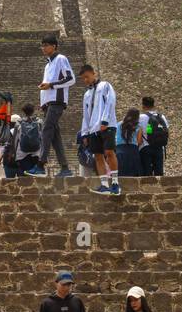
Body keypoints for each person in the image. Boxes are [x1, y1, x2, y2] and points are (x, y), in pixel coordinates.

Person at [25, 34, 75, 177]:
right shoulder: (48, 65)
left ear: (54, 46)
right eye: (42, 45)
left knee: (46, 129)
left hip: (57, 102)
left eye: (46, 45)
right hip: (48, 103)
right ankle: (65, 168)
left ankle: (41, 165)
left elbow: (70, 79)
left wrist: (51, 85)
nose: (43, 48)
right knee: (55, 136)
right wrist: (43, 101)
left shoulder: (61, 59)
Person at [79, 64, 120, 195]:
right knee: (98, 156)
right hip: (93, 129)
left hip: (107, 125)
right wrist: (85, 133)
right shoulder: (86, 94)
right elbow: (85, 114)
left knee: (109, 152)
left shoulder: (105, 86)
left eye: (87, 77)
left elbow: (111, 101)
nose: (85, 80)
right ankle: (104, 184)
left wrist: (105, 120)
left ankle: (115, 183)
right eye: (83, 78)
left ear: (93, 74)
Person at [139, 97, 170, 177]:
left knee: (146, 173)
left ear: (143, 106)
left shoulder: (141, 117)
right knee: (159, 173)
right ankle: (160, 188)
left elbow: (138, 133)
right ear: (154, 105)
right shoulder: (161, 117)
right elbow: (166, 130)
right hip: (159, 147)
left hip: (145, 147)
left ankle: (147, 188)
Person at [12, 103, 42, 177]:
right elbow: (42, 138)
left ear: (23, 111)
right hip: (36, 153)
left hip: (22, 154)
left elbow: (15, 140)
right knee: (35, 177)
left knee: (23, 177)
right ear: (33, 111)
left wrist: (14, 154)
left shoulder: (19, 123)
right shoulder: (39, 122)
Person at [115, 108, 144, 178]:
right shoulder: (139, 126)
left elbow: (115, 138)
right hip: (133, 152)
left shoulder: (118, 124)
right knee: (133, 176)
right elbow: (139, 141)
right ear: (137, 117)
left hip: (119, 151)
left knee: (121, 176)